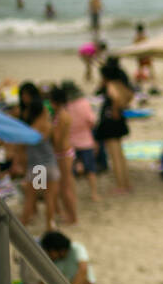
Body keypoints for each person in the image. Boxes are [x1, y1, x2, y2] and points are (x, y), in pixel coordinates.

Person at [22, 231, 97, 284]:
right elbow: (43, 283)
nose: (48, 254)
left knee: (83, 280)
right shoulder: (54, 260)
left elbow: (83, 269)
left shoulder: (76, 248)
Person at [17, 82, 56, 232]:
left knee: (31, 196)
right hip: (49, 162)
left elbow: (23, 145)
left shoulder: (31, 128)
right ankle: (48, 225)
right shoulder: (46, 124)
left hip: (39, 165)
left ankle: (25, 223)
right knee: (48, 197)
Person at [94, 60, 133, 194]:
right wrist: (121, 107)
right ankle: (126, 183)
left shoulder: (111, 85)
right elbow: (129, 96)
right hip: (119, 121)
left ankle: (121, 186)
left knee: (115, 155)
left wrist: (115, 109)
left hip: (110, 122)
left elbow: (115, 98)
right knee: (120, 155)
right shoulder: (122, 84)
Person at [65, 83, 101, 202]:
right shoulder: (84, 103)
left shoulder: (65, 107)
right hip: (85, 140)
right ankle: (94, 193)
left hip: (70, 142)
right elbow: (91, 121)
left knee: (71, 171)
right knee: (91, 169)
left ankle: (73, 195)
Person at [49, 86, 79, 225]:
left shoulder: (61, 116)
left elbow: (58, 139)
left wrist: (49, 131)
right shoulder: (62, 114)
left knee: (65, 188)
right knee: (66, 187)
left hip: (62, 154)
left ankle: (72, 217)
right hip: (64, 153)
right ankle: (69, 215)